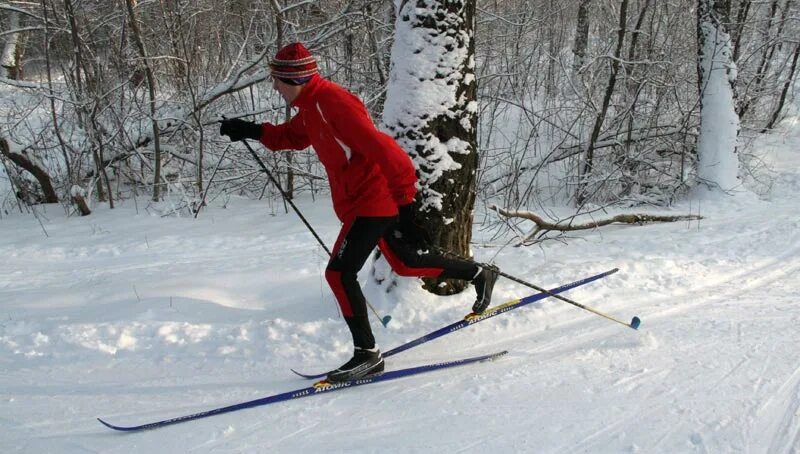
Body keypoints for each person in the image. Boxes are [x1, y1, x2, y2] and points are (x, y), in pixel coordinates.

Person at [220, 43, 498, 382]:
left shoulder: (333, 103)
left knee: (339, 273)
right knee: (405, 262)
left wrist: (407, 206)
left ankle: (366, 354)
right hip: (362, 202)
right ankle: (478, 273)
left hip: (373, 201)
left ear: (293, 79)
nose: (274, 87)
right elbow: (291, 137)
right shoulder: (310, 106)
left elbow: (388, 152)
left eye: (276, 80)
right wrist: (251, 130)